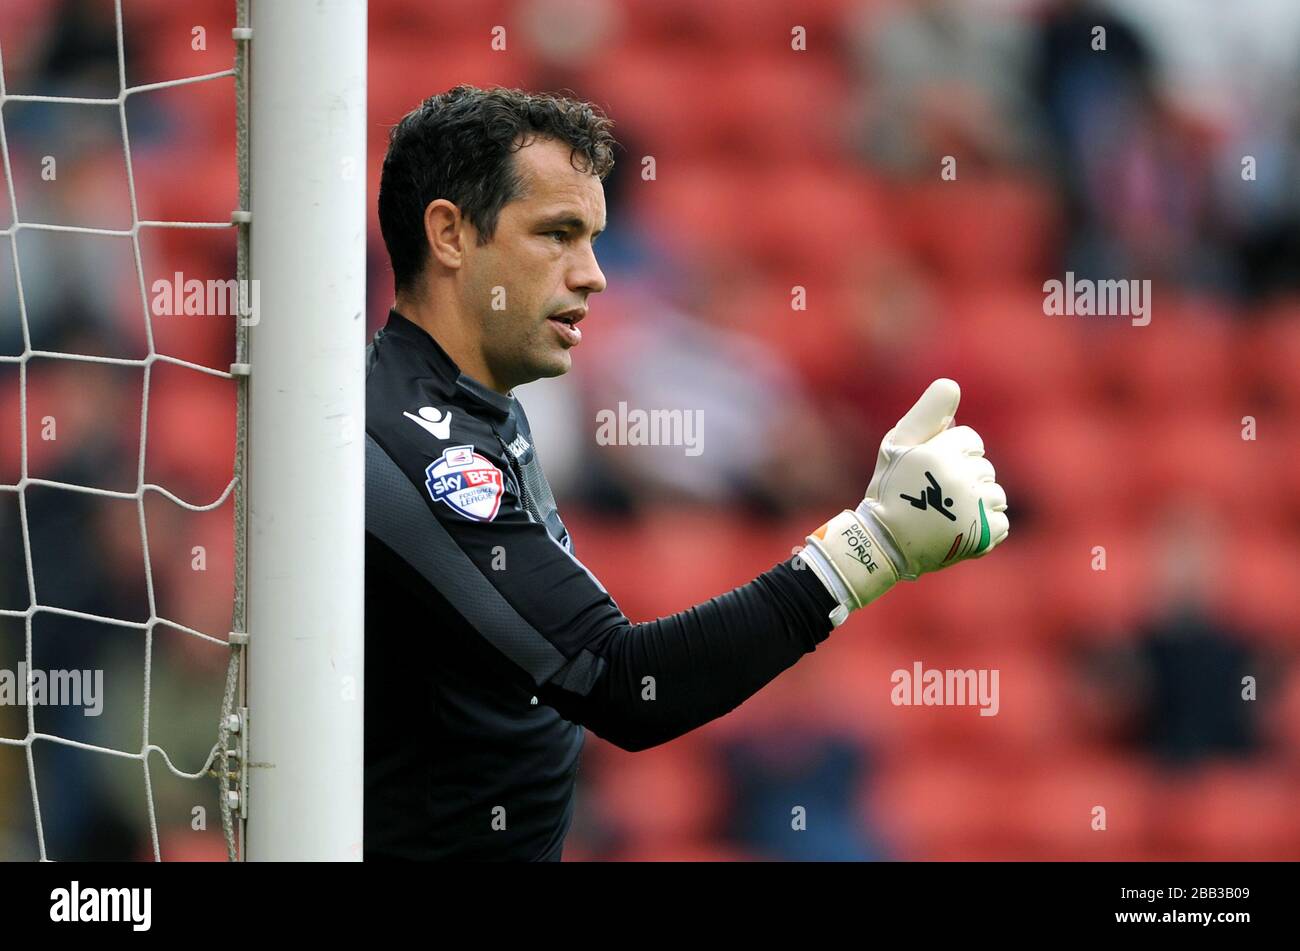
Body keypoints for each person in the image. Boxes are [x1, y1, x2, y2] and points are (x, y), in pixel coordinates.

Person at [363, 85, 1009, 860]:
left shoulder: (472, 410)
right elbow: (621, 681)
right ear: (450, 234)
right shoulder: (420, 444)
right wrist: (871, 546)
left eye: (593, 239)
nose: (593, 274)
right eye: (557, 234)